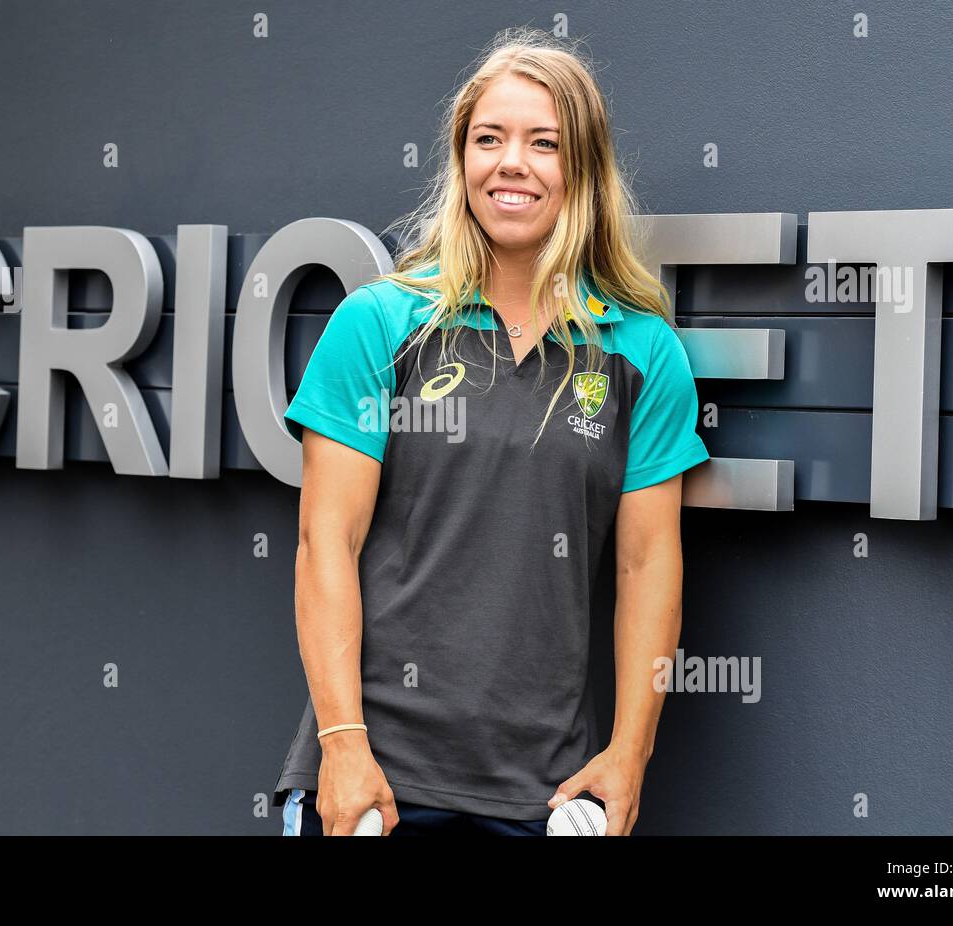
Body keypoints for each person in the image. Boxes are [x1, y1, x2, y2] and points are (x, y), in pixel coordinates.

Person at [273, 27, 710, 836]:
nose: (511, 162)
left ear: (582, 169)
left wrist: (629, 753)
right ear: (461, 159)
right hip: (379, 787)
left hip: (543, 795)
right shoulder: (380, 323)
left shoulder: (641, 350)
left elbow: (649, 564)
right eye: (489, 139)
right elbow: (322, 541)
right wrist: (342, 748)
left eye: (544, 143)